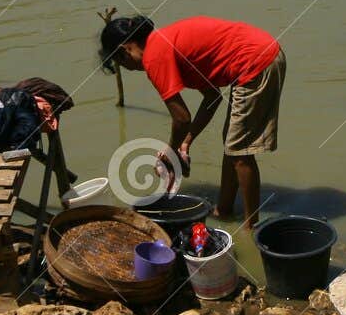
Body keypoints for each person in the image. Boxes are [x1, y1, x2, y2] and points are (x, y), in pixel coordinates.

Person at [100, 15, 286, 228]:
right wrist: (186, 142)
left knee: (240, 153)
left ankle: (250, 229)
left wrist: (170, 153)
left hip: (255, 62)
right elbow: (212, 96)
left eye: (122, 64)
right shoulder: (161, 42)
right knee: (233, 145)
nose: (130, 69)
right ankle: (223, 211)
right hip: (261, 52)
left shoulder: (154, 57)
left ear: (125, 50)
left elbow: (181, 118)